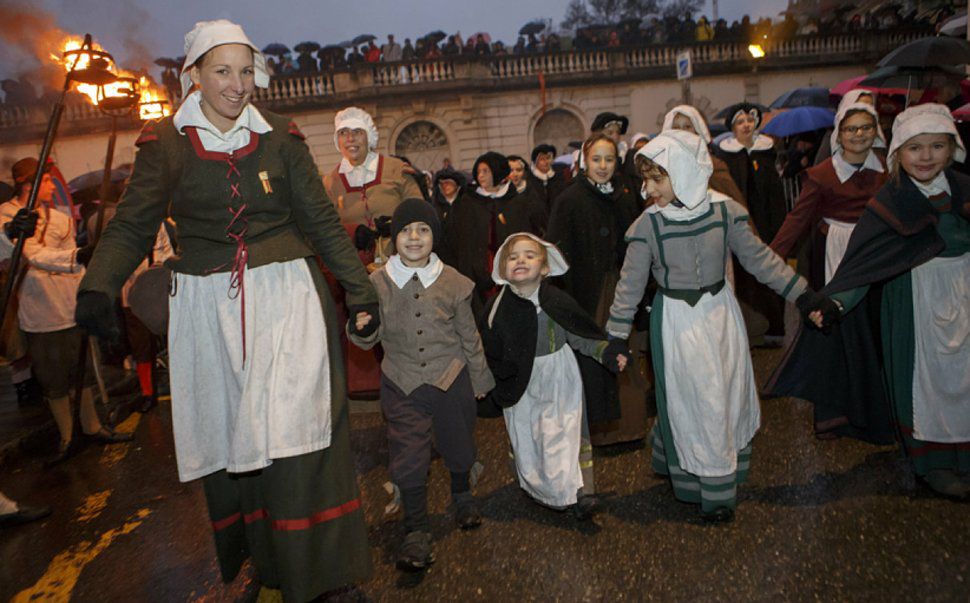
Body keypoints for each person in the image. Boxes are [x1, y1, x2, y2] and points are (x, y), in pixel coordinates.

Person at [74, 21, 376, 600]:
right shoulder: (165, 142)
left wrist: (360, 291)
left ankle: (323, 575)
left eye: (245, 71)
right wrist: (97, 286)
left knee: (302, 439)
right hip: (209, 311)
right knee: (239, 447)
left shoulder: (281, 137)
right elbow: (133, 223)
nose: (238, 85)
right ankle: (271, 563)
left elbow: (319, 221)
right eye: (222, 71)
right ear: (194, 76)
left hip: (288, 299)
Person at [607, 130, 813, 522]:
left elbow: (760, 260)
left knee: (723, 394)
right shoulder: (648, 225)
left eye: (657, 179)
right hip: (676, 322)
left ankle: (707, 470)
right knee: (691, 400)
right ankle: (713, 493)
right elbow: (629, 285)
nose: (649, 190)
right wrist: (616, 336)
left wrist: (803, 295)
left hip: (720, 316)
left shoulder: (724, 212)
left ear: (685, 171)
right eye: (646, 180)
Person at [780, 105, 970, 499]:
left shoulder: (965, 190)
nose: (926, 156)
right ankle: (933, 463)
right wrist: (835, 303)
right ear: (898, 152)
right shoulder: (891, 201)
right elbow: (865, 265)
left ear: (952, 149)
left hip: (964, 298)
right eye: (915, 148)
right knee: (927, 384)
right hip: (914, 306)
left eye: (937, 146)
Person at [350, 199, 493, 571]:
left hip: (451, 377)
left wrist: (479, 377)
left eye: (424, 230)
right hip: (402, 381)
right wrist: (362, 327)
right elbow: (366, 337)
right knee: (407, 454)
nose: (414, 237)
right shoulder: (376, 283)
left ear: (435, 237)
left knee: (459, 443)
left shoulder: (454, 282)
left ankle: (462, 495)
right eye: (406, 230)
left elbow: (469, 336)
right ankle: (416, 529)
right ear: (393, 238)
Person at [480, 233, 628, 518]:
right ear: (502, 269)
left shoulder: (557, 302)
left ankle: (583, 492)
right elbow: (487, 350)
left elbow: (581, 335)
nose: (520, 261)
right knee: (529, 434)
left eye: (529, 255)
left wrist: (606, 352)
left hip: (560, 378)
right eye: (513, 257)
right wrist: (485, 381)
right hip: (521, 383)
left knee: (568, 431)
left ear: (545, 268)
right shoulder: (496, 310)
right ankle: (532, 484)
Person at [0, 158, 127, 466]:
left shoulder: (59, 218)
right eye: (45, 181)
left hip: (70, 305)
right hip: (40, 310)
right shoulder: (6, 216)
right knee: (53, 379)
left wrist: (87, 287)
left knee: (82, 371)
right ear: (28, 185)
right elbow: (31, 255)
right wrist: (75, 255)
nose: (51, 185)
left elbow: (74, 261)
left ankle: (92, 426)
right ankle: (67, 437)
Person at [546, 134, 643, 446]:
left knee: (627, 353)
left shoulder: (625, 196)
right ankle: (601, 434)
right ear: (585, 162)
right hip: (587, 292)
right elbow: (557, 254)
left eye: (609, 159)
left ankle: (631, 429)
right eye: (596, 159)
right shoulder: (568, 200)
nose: (603, 166)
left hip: (622, 288)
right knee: (594, 357)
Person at [324, 106, 421, 395]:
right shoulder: (330, 182)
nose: (350, 139)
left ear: (369, 136)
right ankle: (377, 386)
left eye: (357, 132)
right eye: (343, 133)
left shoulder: (396, 170)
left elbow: (419, 212)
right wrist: (352, 232)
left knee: (405, 325)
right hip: (357, 270)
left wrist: (398, 226)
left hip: (400, 263)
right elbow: (325, 227)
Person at [771, 102, 888, 290]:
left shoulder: (886, 169)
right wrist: (772, 257)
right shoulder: (822, 174)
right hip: (834, 247)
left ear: (875, 132)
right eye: (851, 129)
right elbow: (798, 218)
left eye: (866, 127)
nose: (859, 134)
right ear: (839, 136)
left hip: (874, 247)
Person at [713, 102, 788, 344]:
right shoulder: (727, 156)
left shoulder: (766, 152)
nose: (746, 125)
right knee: (746, 275)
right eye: (740, 122)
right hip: (743, 222)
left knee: (771, 268)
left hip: (768, 221)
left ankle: (774, 327)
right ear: (733, 128)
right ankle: (750, 328)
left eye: (749, 120)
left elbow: (775, 192)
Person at [440, 151, 545, 316]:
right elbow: (455, 239)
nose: (480, 176)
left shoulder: (516, 202)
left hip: (509, 271)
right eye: (478, 171)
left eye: (486, 171)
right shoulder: (467, 202)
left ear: (497, 172)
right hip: (476, 273)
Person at [528, 144, 568, 214]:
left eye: (548, 158)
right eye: (542, 159)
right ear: (535, 162)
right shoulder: (529, 179)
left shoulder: (558, 175)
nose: (546, 162)